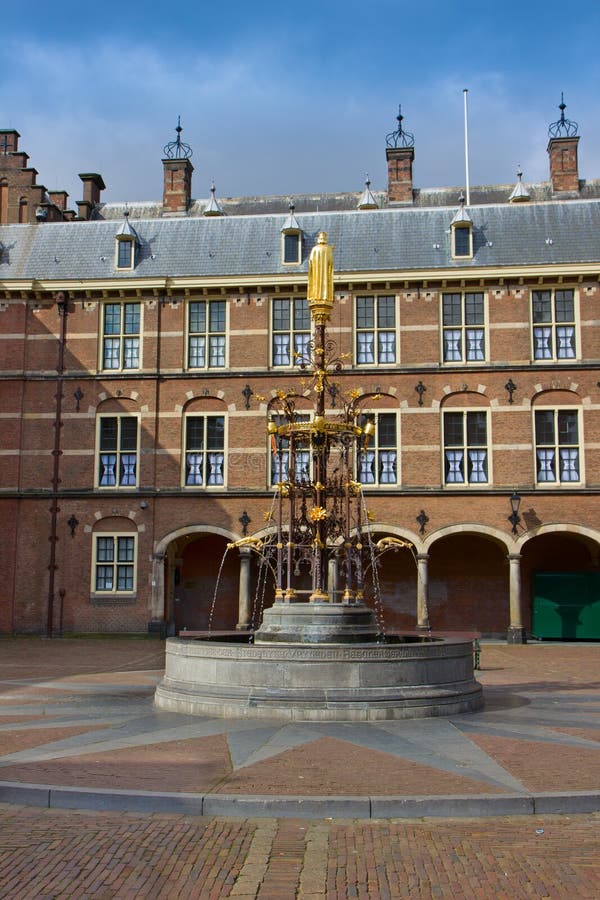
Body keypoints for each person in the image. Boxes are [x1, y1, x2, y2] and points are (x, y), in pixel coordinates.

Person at [307, 231, 334, 304]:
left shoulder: (314, 249)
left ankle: (316, 295)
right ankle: (324, 296)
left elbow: (310, 262)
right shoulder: (328, 249)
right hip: (325, 275)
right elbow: (330, 263)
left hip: (316, 275)